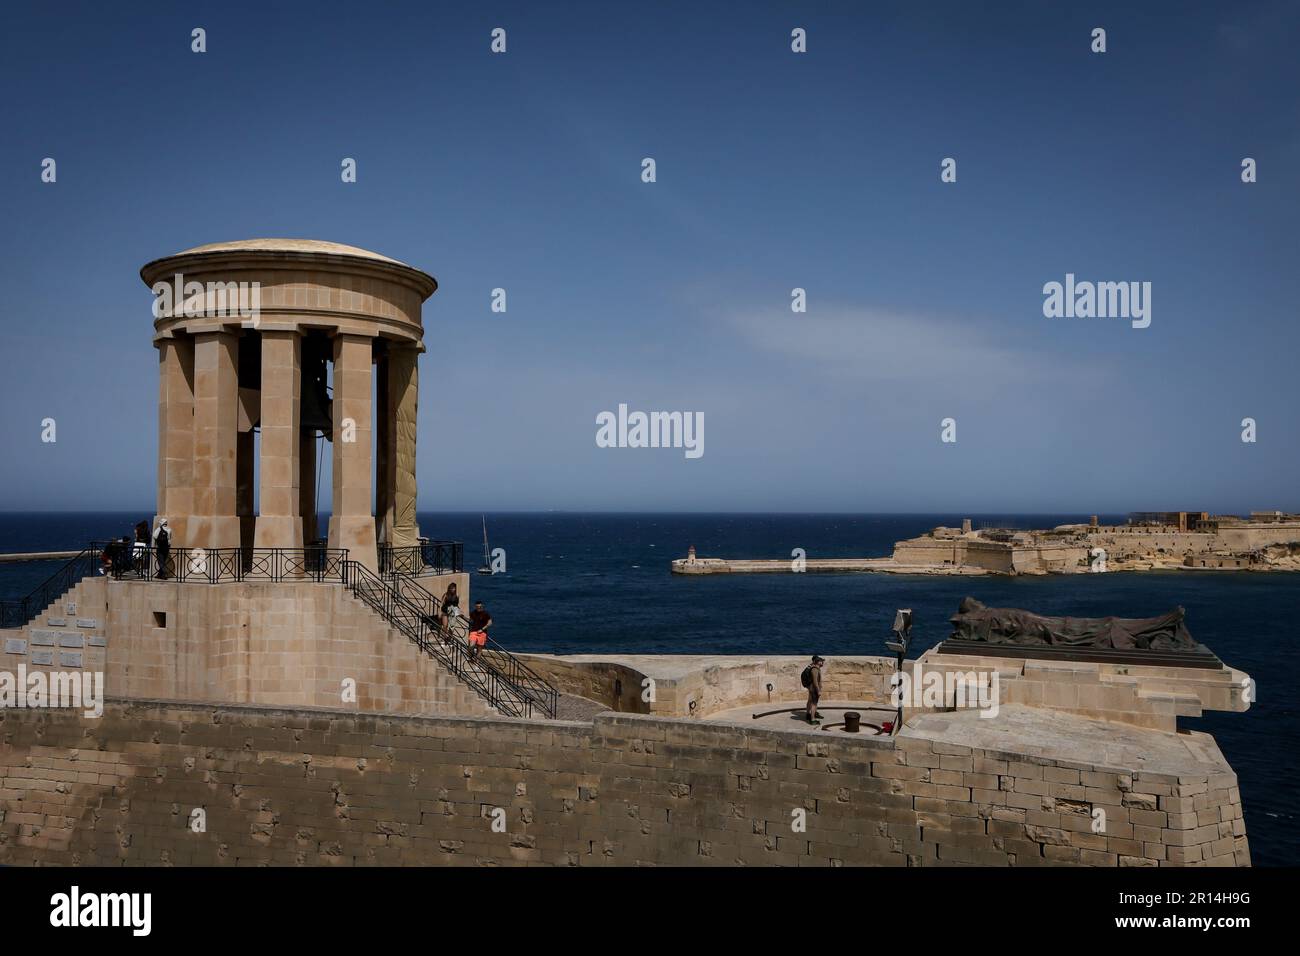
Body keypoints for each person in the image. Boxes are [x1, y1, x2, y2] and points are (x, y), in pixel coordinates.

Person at [802, 655, 825, 725]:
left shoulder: (813, 668)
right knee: (814, 703)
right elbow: (815, 681)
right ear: (817, 662)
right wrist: (818, 691)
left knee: (810, 701)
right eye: (821, 661)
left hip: (811, 688)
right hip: (814, 689)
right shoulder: (815, 670)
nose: (822, 662)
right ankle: (812, 719)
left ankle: (808, 714)